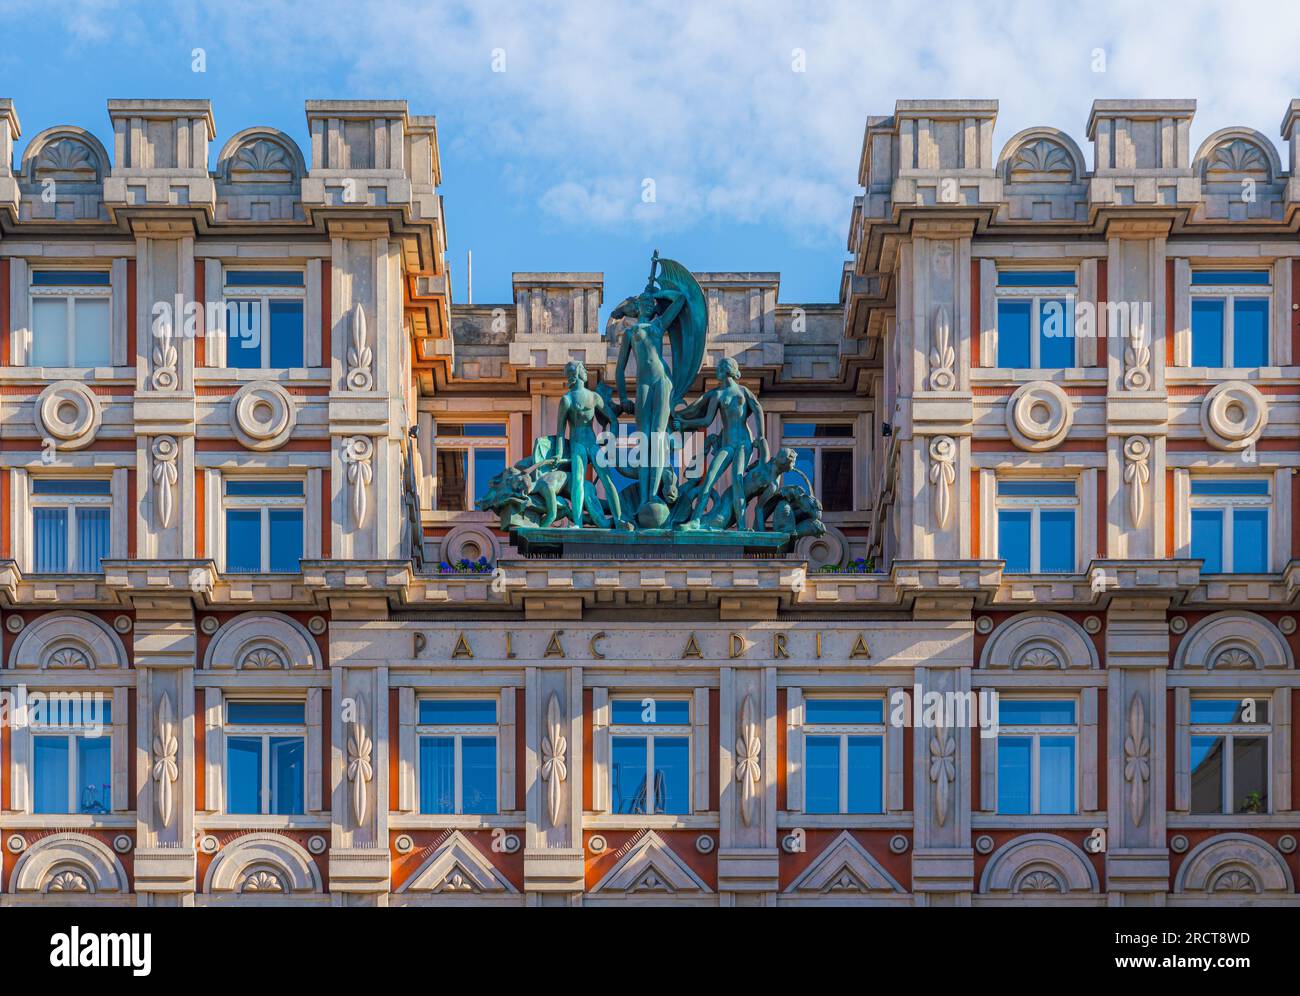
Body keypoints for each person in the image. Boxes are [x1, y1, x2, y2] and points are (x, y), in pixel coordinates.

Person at [555, 360, 623, 528]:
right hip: (577, 445)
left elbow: (613, 420)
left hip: (592, 443)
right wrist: (559, 453)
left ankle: (620, 519)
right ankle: (578, 523)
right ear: (578, 373)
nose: (586, 372)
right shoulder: (567, 400)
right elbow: (560, 432)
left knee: (608, 480)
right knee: (578, 482)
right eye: (584, 369)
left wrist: (611, 440)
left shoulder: (594, 397)